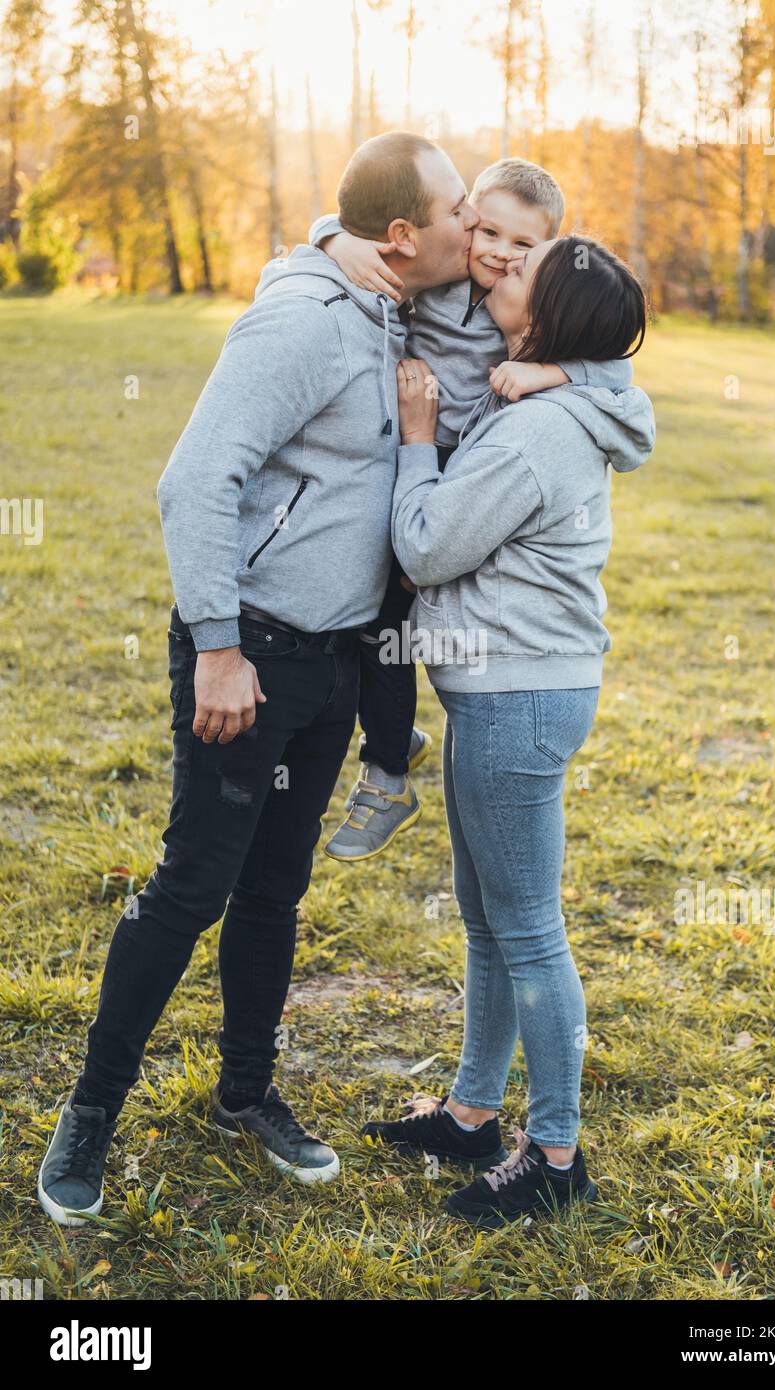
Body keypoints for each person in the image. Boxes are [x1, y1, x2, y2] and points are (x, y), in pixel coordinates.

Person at [37, 132, 479, 1226]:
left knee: (275, 890)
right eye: (458, 208)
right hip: (252, 654)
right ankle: (90, 1110)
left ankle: (244, 1093)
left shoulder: (393, 304)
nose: (473, 226)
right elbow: (193, 479)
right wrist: (221, 646)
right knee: (192, 884)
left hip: (335, 659)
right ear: (400, 235)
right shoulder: (301, 319)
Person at [362, 233, 655, 1229]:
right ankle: (472, 1112)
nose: (499, 269)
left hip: (516, 696)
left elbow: (426, 544)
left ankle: (556, 1153)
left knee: (527, 933)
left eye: (520, 269)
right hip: (502, 691)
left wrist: (413, 433)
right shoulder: (546, 397)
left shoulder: (540, 433)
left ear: (547, 316)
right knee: (489, 922)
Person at [309, 159, 589, 862]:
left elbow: (612, 366)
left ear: (547, 252)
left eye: (521, 245)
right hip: (396, 466)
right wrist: (330, 241)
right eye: (487, 230)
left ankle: (388, 772)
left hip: (456, 491)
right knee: (366, 622)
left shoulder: (531, 309)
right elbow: (366, 228)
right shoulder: (435, 281)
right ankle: (391, 739)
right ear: (467, 223)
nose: (498, 252)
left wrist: (549, 369)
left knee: (392, 618)